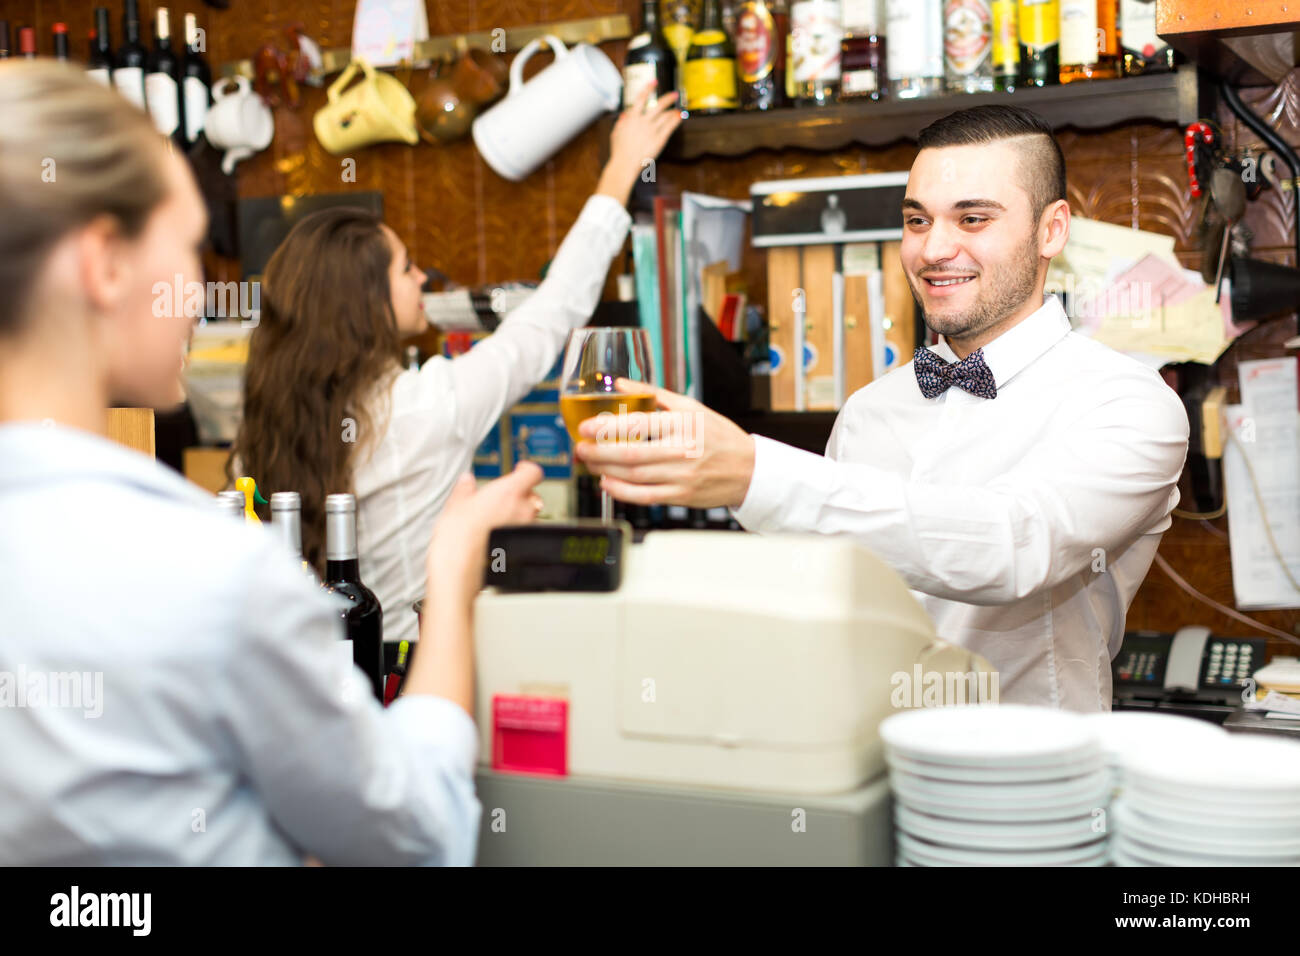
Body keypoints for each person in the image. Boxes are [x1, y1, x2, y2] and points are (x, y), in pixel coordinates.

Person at [0, 59, 545, 865]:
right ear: (105, 263)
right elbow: (413, 832)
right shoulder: (209, 568)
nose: (200, 292)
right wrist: (456, 561)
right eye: (190, 248)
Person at [574, 105, 1191, 712]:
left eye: (972, 219)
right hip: (865, 772)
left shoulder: (1128, 402)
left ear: (1051, 230)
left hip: (1028, 791)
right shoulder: (869, 410)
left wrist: (750, 472)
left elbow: (1014, 547)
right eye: (917, 221)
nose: (933, 249)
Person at [231, 85, 683, 647]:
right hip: (420, 666)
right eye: (406, 267)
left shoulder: (266, 423)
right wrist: (620, 169)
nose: (422, 278)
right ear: (364, 300)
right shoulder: (428, 405)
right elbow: (552, 311)